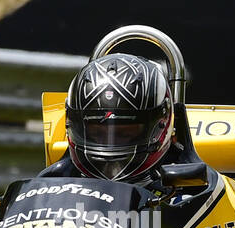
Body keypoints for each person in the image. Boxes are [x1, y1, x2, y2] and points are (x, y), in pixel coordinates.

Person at [56, 53, 184, 185]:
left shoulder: (188, 191)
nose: (109, 144)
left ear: (163, 121)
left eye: (124, 134)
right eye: (97, 134)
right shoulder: (55, 183)